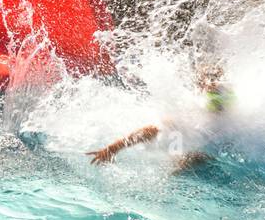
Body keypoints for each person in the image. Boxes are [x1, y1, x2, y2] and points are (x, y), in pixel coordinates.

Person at [86, 60, 234, 172]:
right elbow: (152, 130)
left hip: (205, 160)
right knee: (185, 152)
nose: (221, 105)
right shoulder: (189, 112)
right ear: (202, 92)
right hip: (184, 156)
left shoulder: (236, 119)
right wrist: (113, 148)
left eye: (224, 95)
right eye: (214, 96)